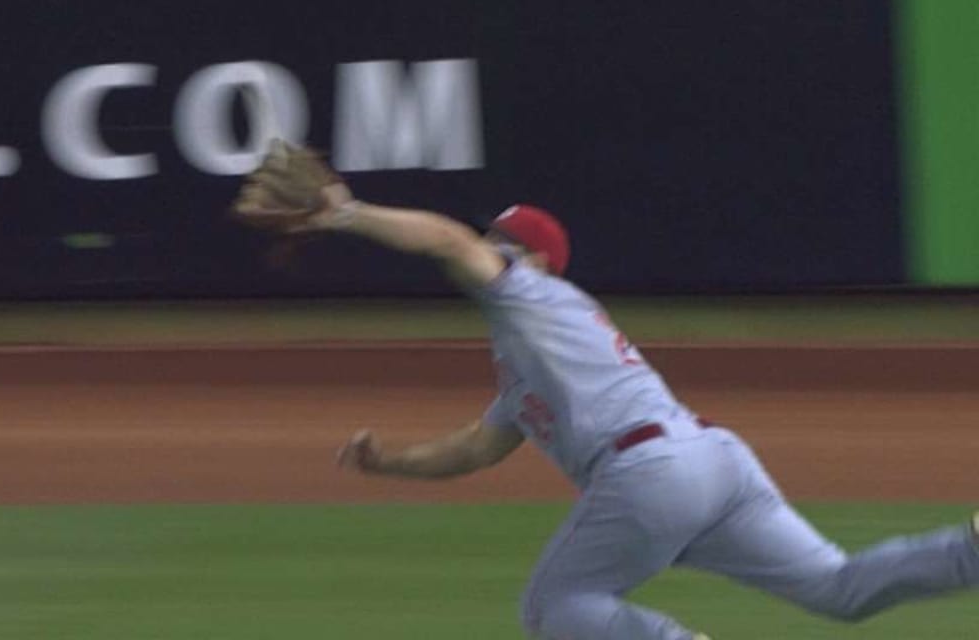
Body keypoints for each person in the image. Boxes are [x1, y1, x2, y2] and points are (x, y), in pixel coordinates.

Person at [231, 142, 979, 640]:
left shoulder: (527, 295)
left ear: (533, 260)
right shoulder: (534, 353)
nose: (488, 247)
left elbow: (447, 242)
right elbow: (476, 448)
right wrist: (388, 463)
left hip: (652, 472)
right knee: (837, 588)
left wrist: (347, 214)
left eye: (503, 240)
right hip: (712, 463)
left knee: (552, 607)